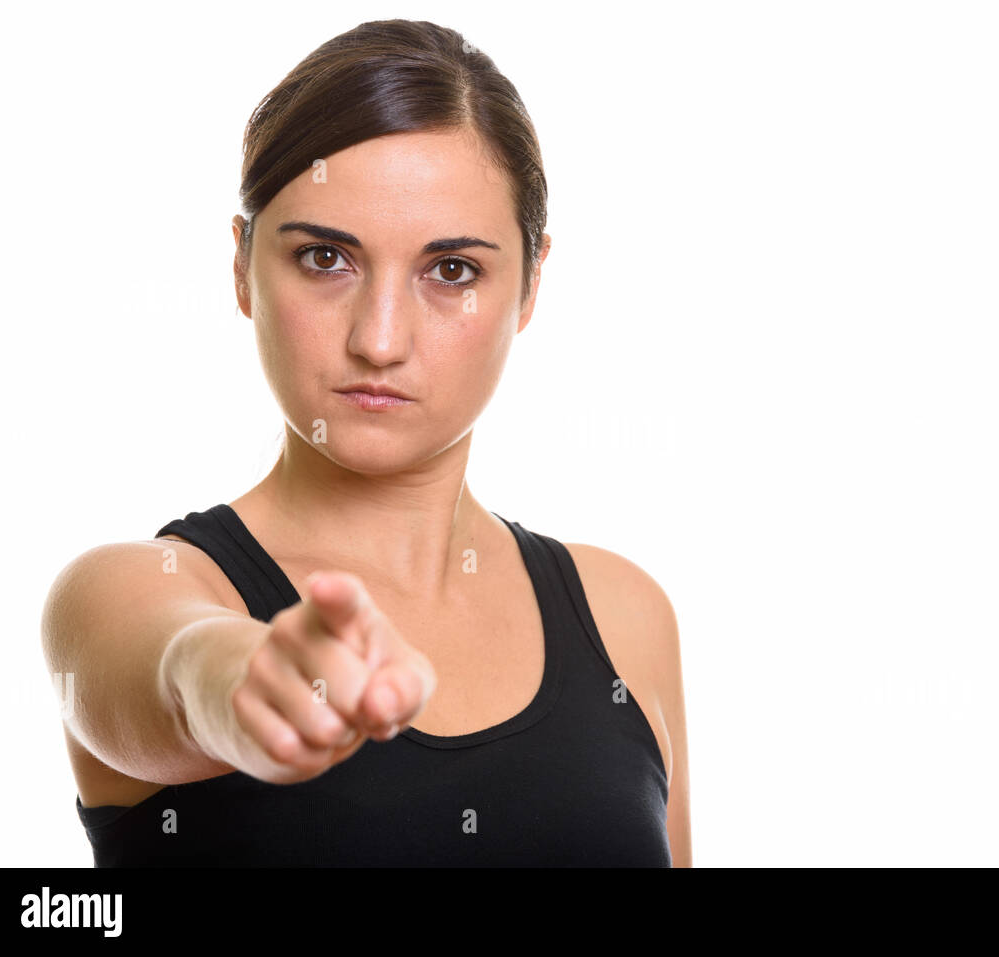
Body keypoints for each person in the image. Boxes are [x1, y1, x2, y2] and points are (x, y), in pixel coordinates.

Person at [41, 18, 690, 867]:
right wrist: (238, 678)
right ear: (241, 264)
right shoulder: (129, 592)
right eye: (324, 258)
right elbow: (176, 669)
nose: (380, 340)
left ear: (531, 284)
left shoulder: (625, 613)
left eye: (451, 269)